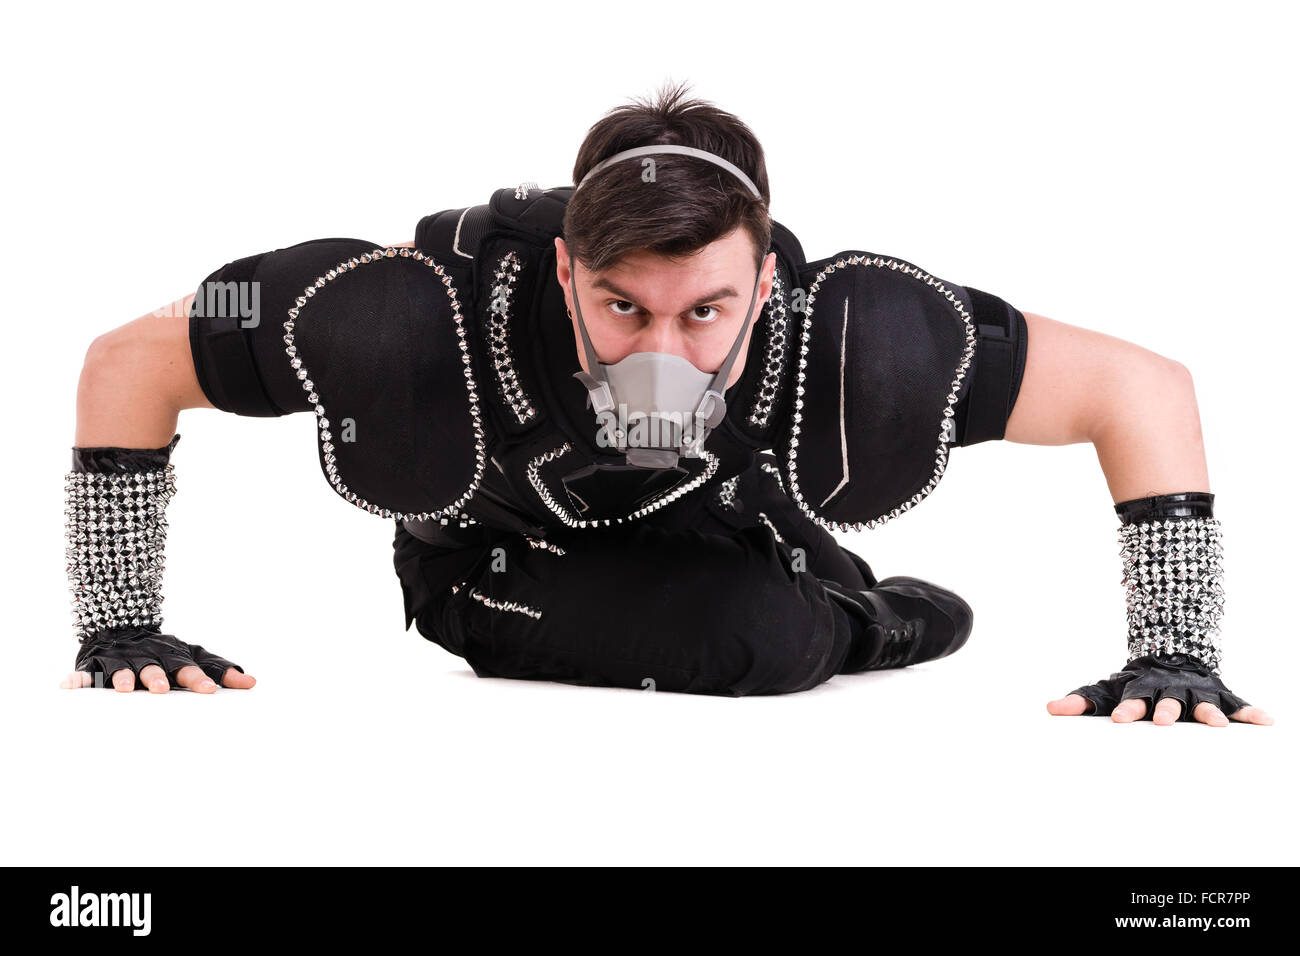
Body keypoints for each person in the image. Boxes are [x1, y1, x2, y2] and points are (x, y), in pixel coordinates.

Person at [61, 82, 1271, 726]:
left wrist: (1174, 647)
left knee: (769, 594)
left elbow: (1139, 385)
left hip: (733, 510)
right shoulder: (397, 308)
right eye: (620, 307)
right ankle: (853, 621)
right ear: (560, 273)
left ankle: (840, 590)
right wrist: (121, 621)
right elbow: (129, 356)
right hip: (500, 545)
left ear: (766, 280)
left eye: (705, 310)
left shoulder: (855, 334)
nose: (663, 347)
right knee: (763, 642)